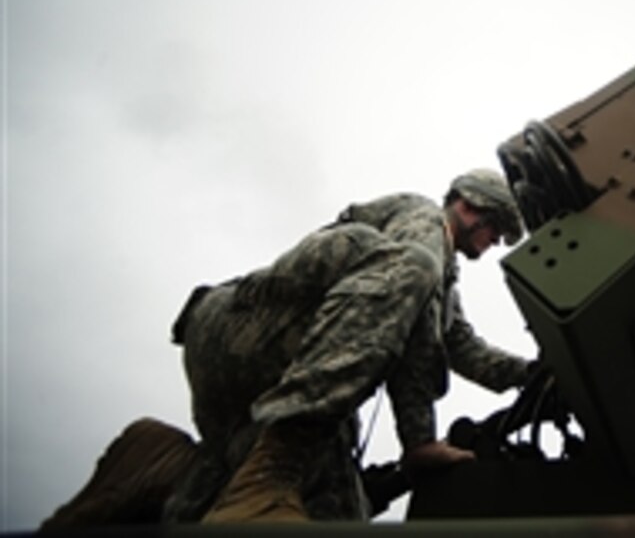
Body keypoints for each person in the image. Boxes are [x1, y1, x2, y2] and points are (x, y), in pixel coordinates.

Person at [46, 168, 533, 527]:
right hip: (247, 328)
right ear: (468, 207)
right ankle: (270, 471)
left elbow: (464, 348)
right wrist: (420, 441)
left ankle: (169, 472)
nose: (494, 243)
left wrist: (535, 375)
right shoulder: (423, 226)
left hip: (267, 380)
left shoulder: (441, 284)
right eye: (496, 230)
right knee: (270, 484)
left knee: (335, 517)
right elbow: (418, 315)